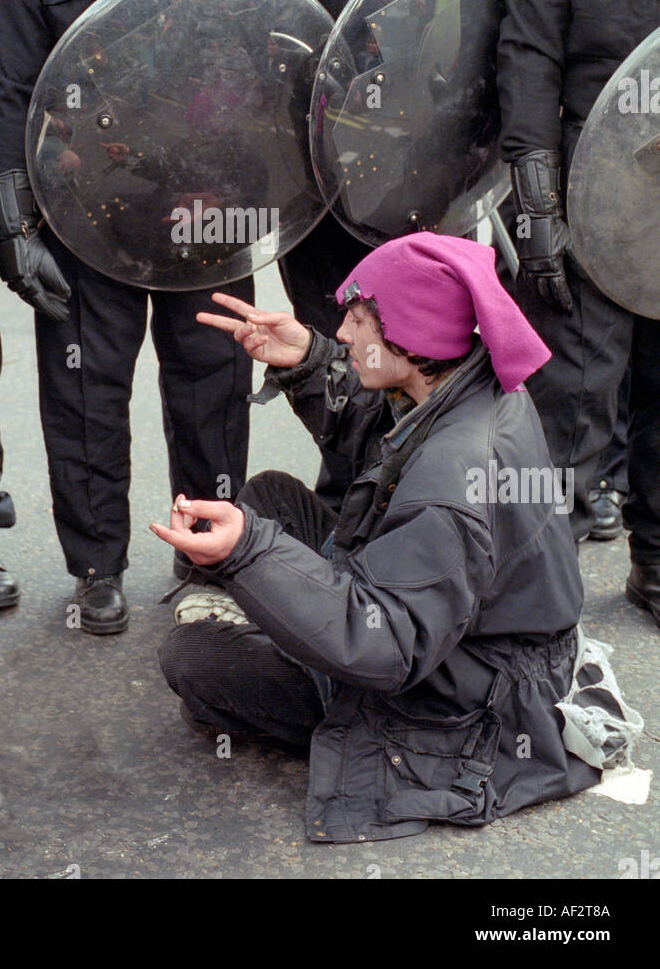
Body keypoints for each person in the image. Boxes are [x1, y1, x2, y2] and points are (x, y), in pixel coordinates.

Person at [152, 234, 636, 843]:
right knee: (272, 495)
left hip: (466, 691)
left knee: (191, 659)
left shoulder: (452, 476)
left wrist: (247, 554)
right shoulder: (466, 382)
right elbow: (377, 429)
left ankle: (269, 635)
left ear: (411, 334)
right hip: (465, 627)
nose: (343, 331)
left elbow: (383, 646)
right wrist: (306, 360)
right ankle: (275, 625)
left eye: (358, 320)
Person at [0, 0, 278, 634]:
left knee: (211, 385)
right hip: (86, 211)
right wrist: (13, 224)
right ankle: (95, 568)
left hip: (208, 205)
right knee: (85, 396)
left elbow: (276, 55)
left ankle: (206, 550)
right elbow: (5, 90)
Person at [243, 0, 503, 504]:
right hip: (307, 173)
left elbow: (492, 31)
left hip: (415, 166)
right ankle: (348, 485)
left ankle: (424, 486)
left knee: (420, 335)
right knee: (329, 336)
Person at [498, 0, 660, 613]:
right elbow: (526, 63)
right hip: (587, 188)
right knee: (573, 400)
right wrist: (536, 208)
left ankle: (654, 564)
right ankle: (539, 587)